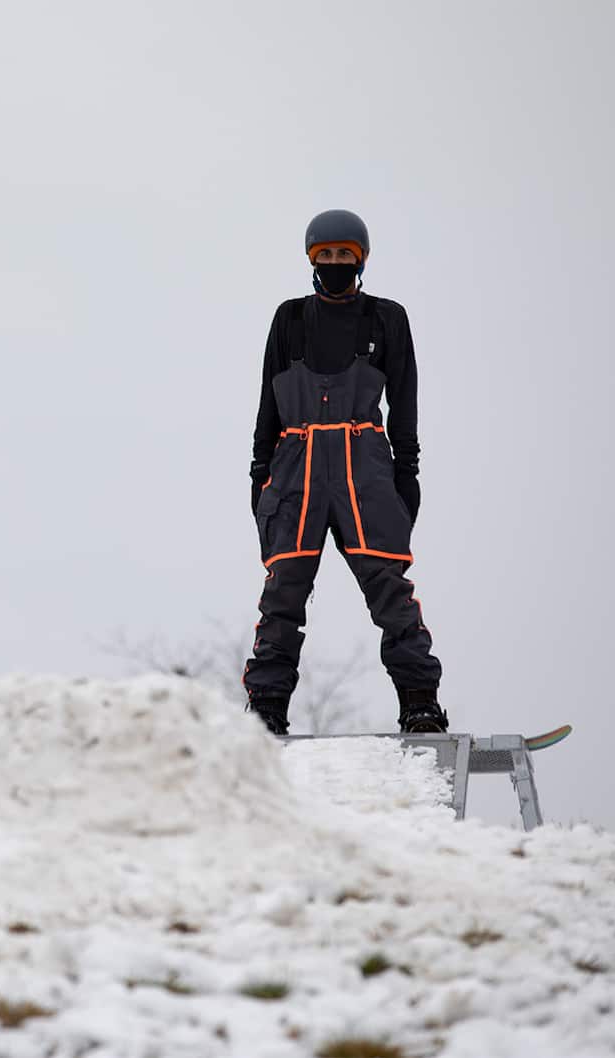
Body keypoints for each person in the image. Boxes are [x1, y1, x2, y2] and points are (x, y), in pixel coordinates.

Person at [241, 209, 447, 736]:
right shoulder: (288, 319)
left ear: (360, 260)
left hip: (364, 465)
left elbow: (404, 400)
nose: (335, 264)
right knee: (284, 589)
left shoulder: (386, 318)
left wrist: (408, 472)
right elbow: (268, 399)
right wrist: (259, 469)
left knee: (388, 585)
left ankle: (419, 701)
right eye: (325, 256)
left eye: (344, 256)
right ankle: (266, 708)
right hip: (295, 466)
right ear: (312, 260)